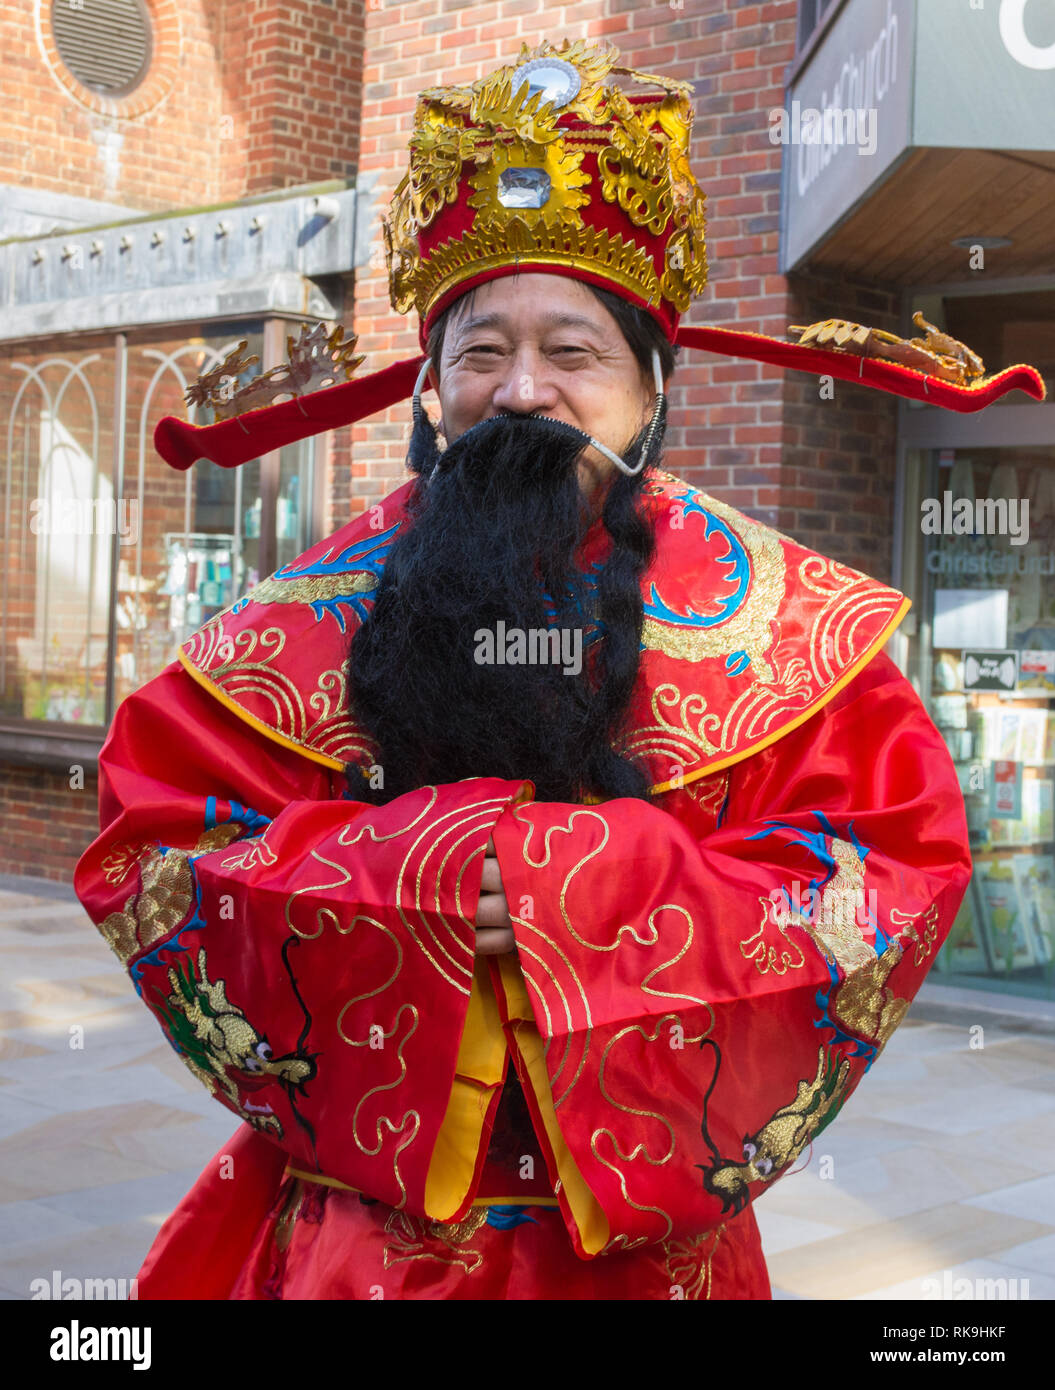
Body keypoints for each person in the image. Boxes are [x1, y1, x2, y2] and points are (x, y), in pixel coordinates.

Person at [74, 38, 1042, 1300]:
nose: (520, 389)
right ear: (426, 392)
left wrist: (560, 890)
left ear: (650, 394)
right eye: (479, 352)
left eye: (573, 353)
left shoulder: (789, 632)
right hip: (353, 1245)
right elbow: (154, 850)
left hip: (652, 1263)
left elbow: (887, 879)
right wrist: (407, 881)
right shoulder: (289, 630)